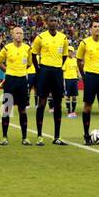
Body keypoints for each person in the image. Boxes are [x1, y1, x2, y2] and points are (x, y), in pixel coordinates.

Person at [30, 15, 69, 146]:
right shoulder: (40, 37)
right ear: (47, 23)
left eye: (55, 20)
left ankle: (57, 136)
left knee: (58, 104)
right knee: (42, 103)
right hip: (44, 71)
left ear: (58, 23)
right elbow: (33, 54)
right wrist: (38, 69)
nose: (53, 22)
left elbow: (64, 56)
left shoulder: (63, 38)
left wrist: (57, 67)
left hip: (57, 72)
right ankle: (39, 136)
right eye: (51, 20)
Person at [74, 19, 99, 145]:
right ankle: (86, 136)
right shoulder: (84, 43)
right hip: (90, 76)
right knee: (88, 106)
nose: (97, 28)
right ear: (90, 29)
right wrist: (84, 76)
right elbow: (79, 60)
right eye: (95, 26)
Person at [0, 26, 32, 145]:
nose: (19, 35)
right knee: (7, 109)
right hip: (10, 81)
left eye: (21, 33)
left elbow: (29, 64)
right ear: (12, 35)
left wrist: (19, 71)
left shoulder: (27, 48)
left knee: (22, 109)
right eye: (17, 33)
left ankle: (24, 137)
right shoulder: (7, 48)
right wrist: (8, 70)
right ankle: (4, 137)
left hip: (22, 80)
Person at [62, 48, 80, 117]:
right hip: (67, 79)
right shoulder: (65, 60)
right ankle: (69, 111)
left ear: (73, 52)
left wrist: (80, 76)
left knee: (74, 96)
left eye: (70, 51)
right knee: (68, 96)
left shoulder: (75, 60)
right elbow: (63, 70)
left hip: (74, 79)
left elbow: (77, 70)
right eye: (68, 51)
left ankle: (73, 111)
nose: (69, 52)